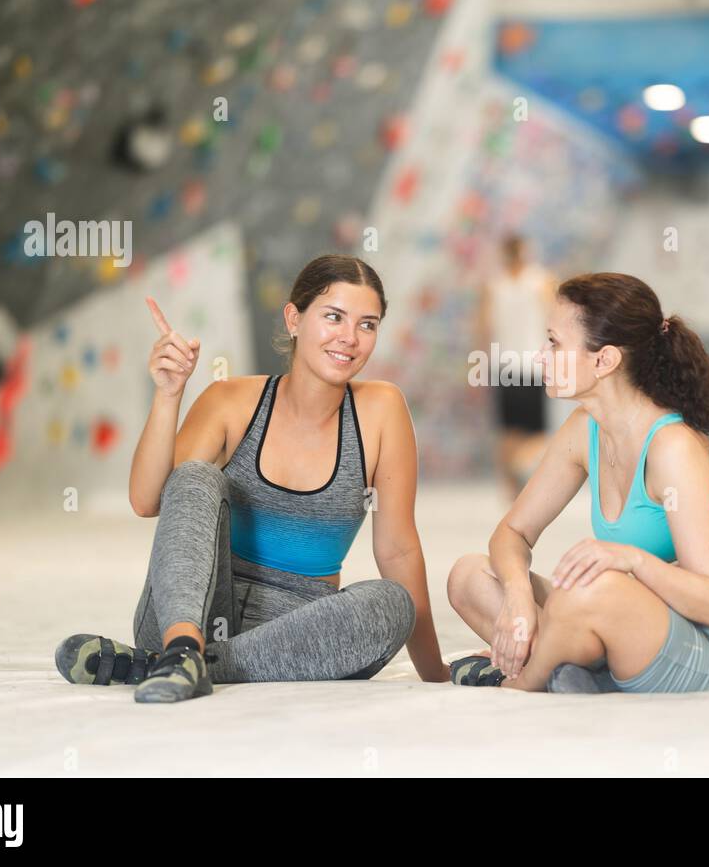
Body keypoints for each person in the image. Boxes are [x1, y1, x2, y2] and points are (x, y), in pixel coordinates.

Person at [55, 254, 450, 702]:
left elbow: (398, 549)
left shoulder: (381, 410)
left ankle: (175, 665)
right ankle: (182, 648)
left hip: (299, 638)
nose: (350, 338)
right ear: (294, 319)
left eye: (367, 325)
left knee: (393, 603)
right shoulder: (230, 400)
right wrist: (168, 395)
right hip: (188, 613)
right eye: (334, 317)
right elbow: (147, 501)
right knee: (195, 477)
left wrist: (435, 672)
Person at [446, 272, 709, 693]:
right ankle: (576, 672)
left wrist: (631, 561)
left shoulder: (673, 447)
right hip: (644, 623)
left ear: (604, 361)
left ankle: (525, 682)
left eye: (554, 343)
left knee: (588, 589)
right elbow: (513, 531)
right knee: (470, 576)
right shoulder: (586, 429)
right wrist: (516, 598)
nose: (540, 356)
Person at [478, 234, 557, 497]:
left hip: (504, 364)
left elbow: (484, 327)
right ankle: (518, 466)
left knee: (509, 429)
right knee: (537, 430)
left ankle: (510, 486)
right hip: (533, 363)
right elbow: (554, 321)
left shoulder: (494, 285)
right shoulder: (541, 281)